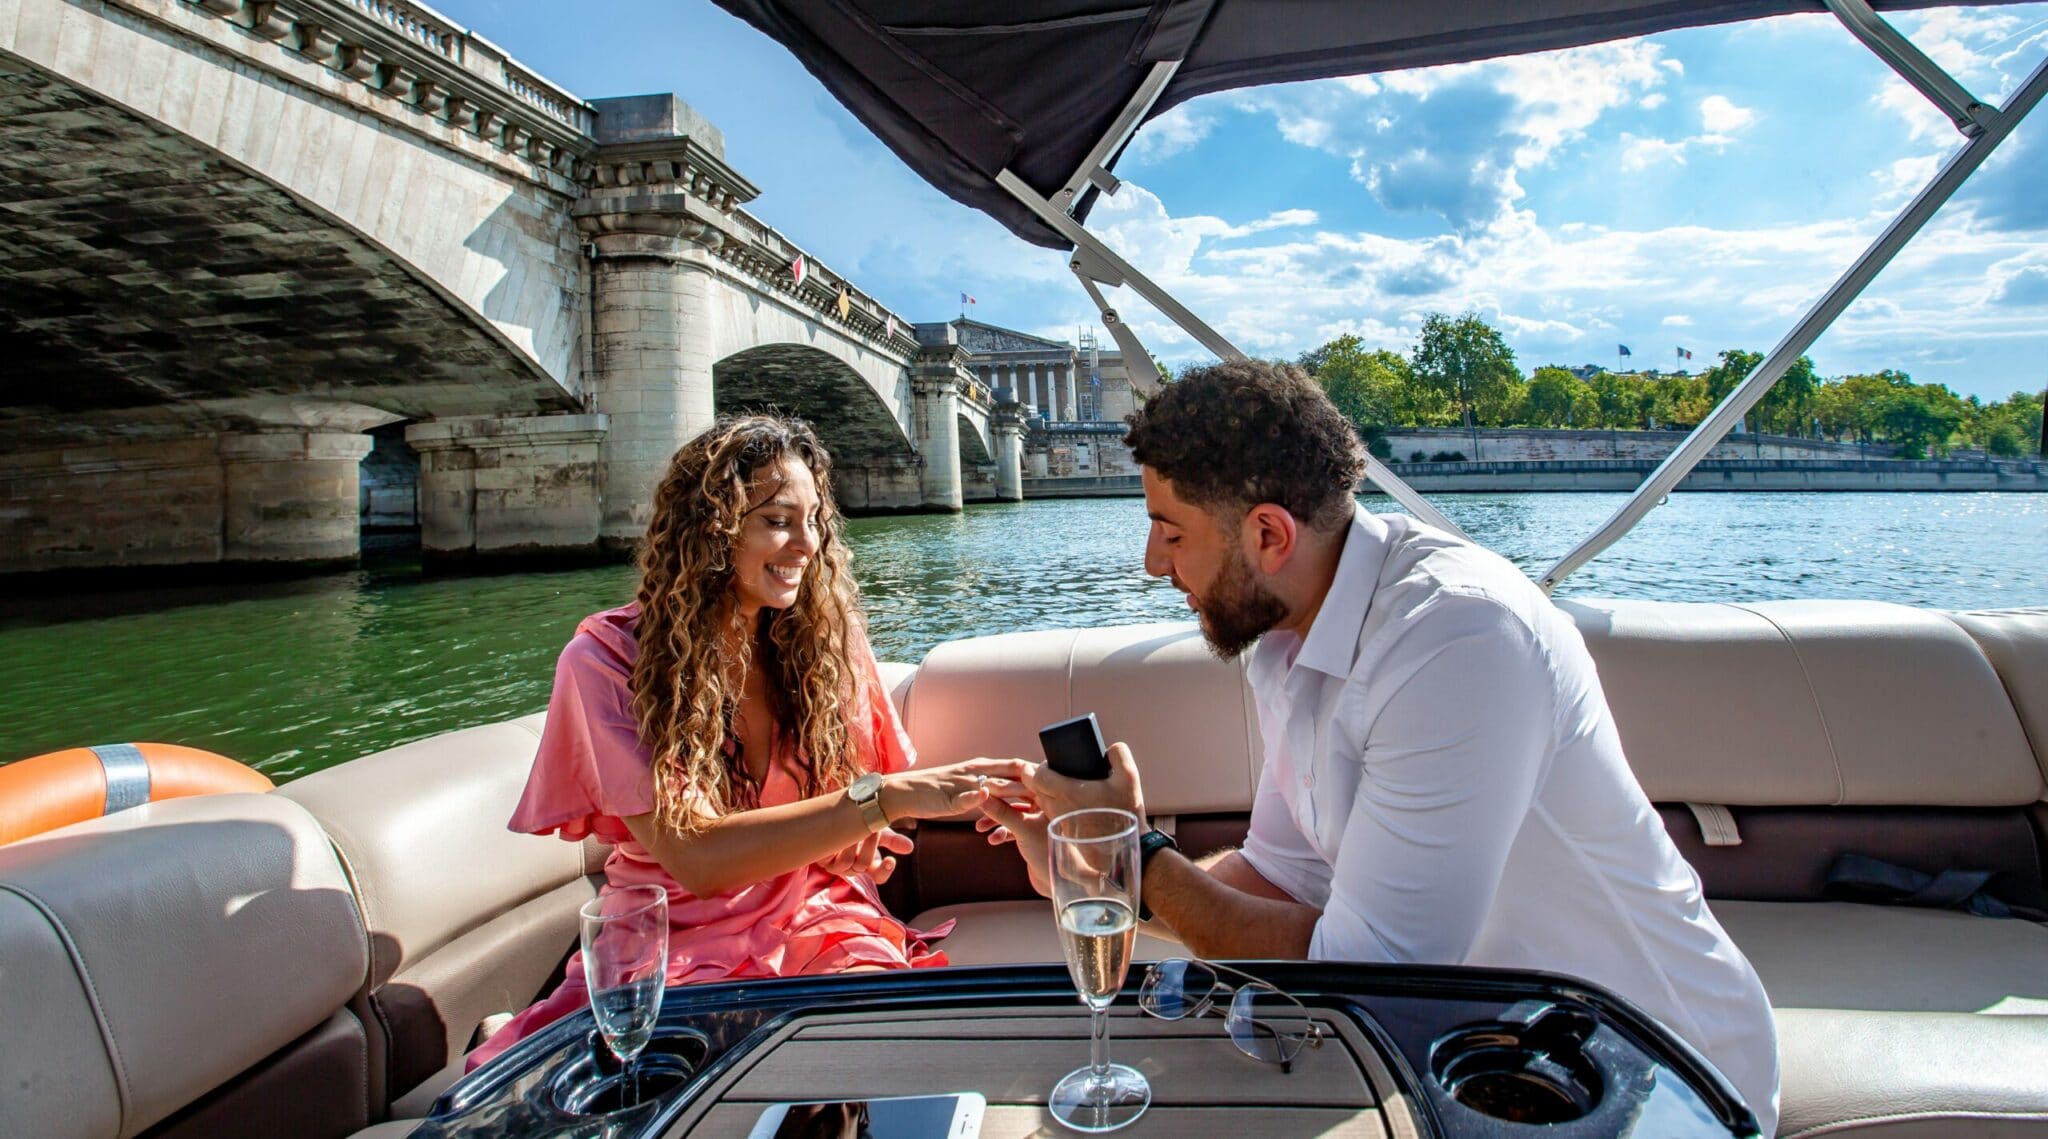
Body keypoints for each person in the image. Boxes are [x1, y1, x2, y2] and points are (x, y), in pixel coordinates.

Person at [977, 361, 1781, 1135]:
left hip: (1658, 1074)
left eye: (1169, 530)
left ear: (1267, 534)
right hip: (1489, 1045)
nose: (1154, 563)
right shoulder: (1284, 639)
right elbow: (1282, 877)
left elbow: (1364, 971)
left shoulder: (1457, 638)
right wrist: (1099, 876)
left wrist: (1140, 856)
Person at [470, 414, 1026, 1068]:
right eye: (778, 520)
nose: (808, 545)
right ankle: (522, 1031)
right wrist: (881, 800)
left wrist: (850, 846)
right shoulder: (606, 660)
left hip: (818, 922)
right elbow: (698, 856)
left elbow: (850, 812)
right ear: (712, 526)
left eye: (814, 520)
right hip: (676, 943)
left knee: (891, 1065)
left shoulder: (825, 643)